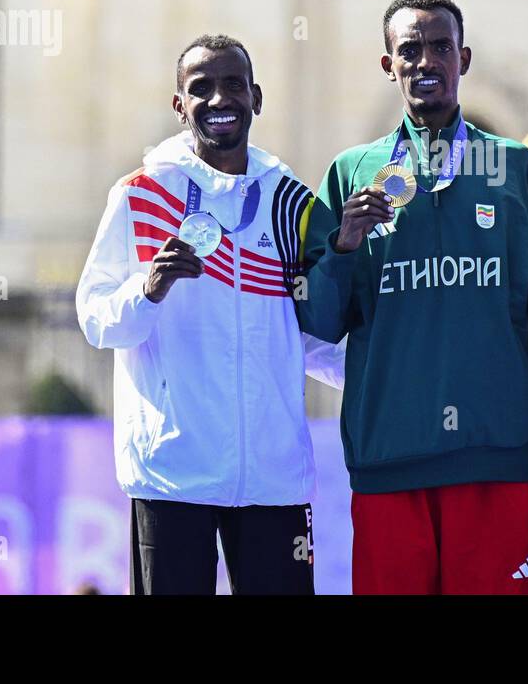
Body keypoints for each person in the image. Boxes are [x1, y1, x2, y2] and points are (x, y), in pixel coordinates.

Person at [296, 0, 528, 594]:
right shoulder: (352, 172)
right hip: (389, 459)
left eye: (440, 47)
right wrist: (345, 246)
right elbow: (318, 321)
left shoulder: (513, 167)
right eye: (409, 49)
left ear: (464, 58)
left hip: (498, 456)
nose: (425, 61)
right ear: (388, 64)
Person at [76, 34, 342, 595]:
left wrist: (381, 376)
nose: (219, 99)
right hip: (173, 472)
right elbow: (96, 318)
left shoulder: (292, 202)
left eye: (233, 85)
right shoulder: (139, 195)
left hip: (273, 476)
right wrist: (147, 289)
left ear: (256, 98)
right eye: (201, 88)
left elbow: (313, 337)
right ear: (179, 105)